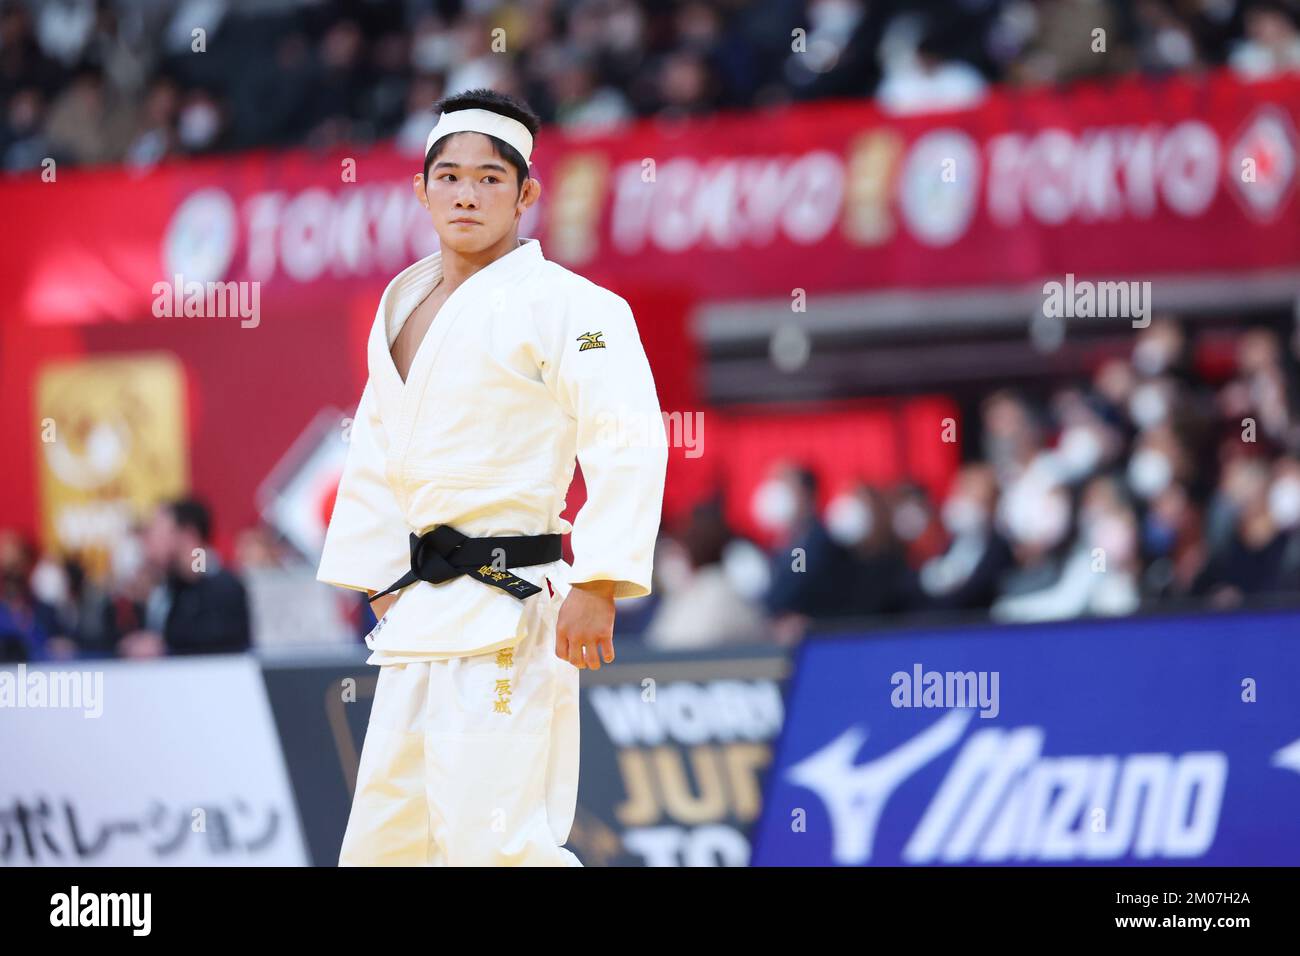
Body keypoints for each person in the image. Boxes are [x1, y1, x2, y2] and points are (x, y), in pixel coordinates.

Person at [316, 88, 667, 866]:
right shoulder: (402, 305)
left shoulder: (574, 306)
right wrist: (379, 575)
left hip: (512, 603)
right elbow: (378, 450)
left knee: (497, 846)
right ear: (421, 188)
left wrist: (601, 580)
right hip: (418, 618)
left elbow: (628, 435)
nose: (466, 193)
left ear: (526, 195)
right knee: (385, 845)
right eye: (449, 176)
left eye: (489, 178)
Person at [118, 498, 252, 658]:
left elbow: (218, 636)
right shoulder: (165, 590)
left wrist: (164, 644)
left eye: (157, 529)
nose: (148, 540)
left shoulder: (221, 586)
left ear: (188, 535)